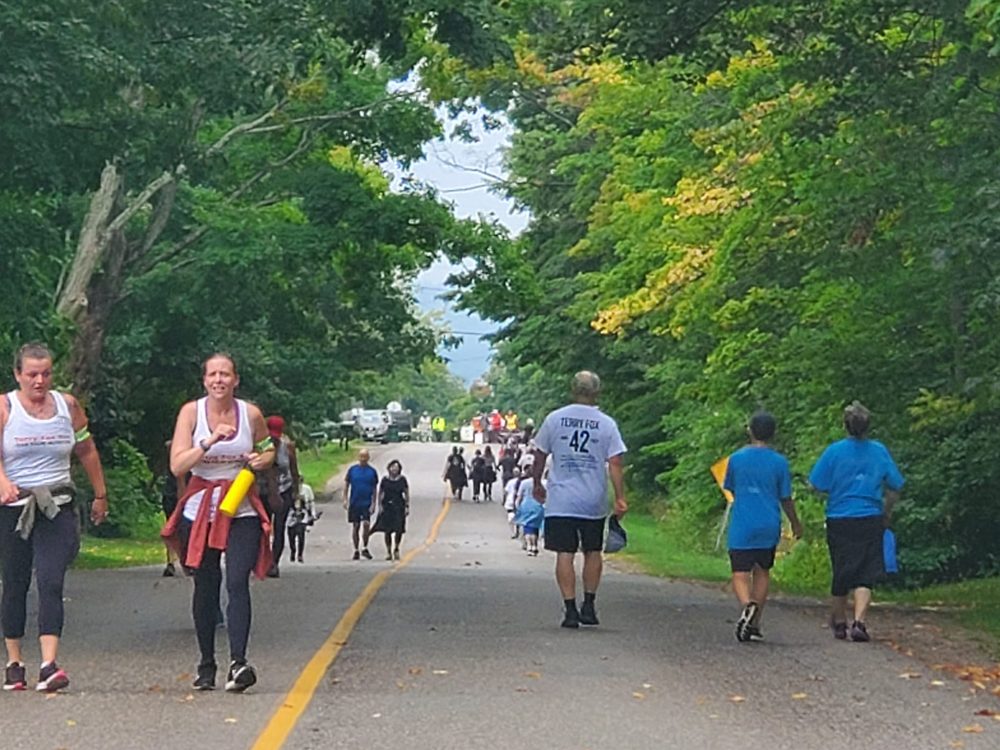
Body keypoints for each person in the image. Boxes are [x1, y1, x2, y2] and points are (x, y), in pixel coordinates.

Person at [162, 352, 275, 693]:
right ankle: (206, 664)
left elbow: (270, 449)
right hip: (200, 510)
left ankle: (238, 663)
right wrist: (209, 442)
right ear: (204, 380)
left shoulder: (250, 414)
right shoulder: (191, 413)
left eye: (225, 374)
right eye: (213, 375)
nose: (219, 380)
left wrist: (259, 459)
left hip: (241, 508)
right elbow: (178, 466)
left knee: (237, 582)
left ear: (236, 380)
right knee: (206, 585)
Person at [0, 342, 109, 692]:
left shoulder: (67, 406)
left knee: (51, 580)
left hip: (57, 504)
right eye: (31, 374)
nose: (39, 381)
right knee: (15, 583)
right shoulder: (5, 407)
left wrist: (100, 494)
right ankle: (15, 661)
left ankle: (49, 664)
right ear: (18, 374)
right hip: (15, 508)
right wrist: (2, 480)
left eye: (45, 373)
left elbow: (87, 448)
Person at [532, 371, 627, 629]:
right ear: (597, 392)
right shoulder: (606, 423)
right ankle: (590, 604)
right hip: (592, 499)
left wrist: (536, 482)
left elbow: (539, 454)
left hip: (561, 499)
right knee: (592, 551)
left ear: (572, 390)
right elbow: (615, 461)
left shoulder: (555, 419)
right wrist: (620, 496)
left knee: (565, 553)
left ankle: (570, 609)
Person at [809, 401, 904, 642]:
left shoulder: (834, 451)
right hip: (870, 517)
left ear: (846, 425)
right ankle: (859, 623)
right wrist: (886, 510)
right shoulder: (879, 451)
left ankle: (840, 622)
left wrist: (834, 489)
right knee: (865, 572)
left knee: (841, 569)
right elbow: (896, 486)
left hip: (840, 517)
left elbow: (816, 484)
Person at [724, 411, 803, 642]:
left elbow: (731, 488)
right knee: (762, 572)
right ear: (773, 433)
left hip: (743, 523)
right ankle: (755, 622)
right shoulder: (780, 462)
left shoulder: (736, 459)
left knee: (740, 574)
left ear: (750, 430)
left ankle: (746, 605)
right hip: (769, 523)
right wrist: (796, 523)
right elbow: (785, 497)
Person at [264, 415, 299, 578]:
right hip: (264, 491)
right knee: (261, 528)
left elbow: (294, 471)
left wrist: (295, 493)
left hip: (284, 489)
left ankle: (274, 563)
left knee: (279, 528)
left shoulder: (288, 447)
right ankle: (261, 560)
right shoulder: (261, 446)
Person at [344, 448, 378, 560]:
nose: (363, 459)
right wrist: (345, 499)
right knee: (356, 525)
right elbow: (346, 484)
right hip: (355, 502)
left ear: (368, 458)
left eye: (365, 456)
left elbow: (374, 489)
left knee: (366, 524)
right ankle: (356, 549)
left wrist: (373, 503)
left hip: (366, 502)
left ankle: (365, 547)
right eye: (361, 456)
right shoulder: (353, 470)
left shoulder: (372, 472)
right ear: (358, 457)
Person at [371, 459, 409, 561]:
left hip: (398, 506)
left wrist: (406, 506)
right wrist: (380, 505)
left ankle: (396, 548)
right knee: (387, 530)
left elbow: (406, 492)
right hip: (387, 506)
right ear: (389, 468)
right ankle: (388, 551)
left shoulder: (402, 480)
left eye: (396, 468)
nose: (394, 469)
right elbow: (380, 492)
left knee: (398, 529)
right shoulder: (385, 480)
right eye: (392, 467)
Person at [161, 441, 182, 577]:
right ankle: (173, 561)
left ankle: (173, 561)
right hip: (175, 493)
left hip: (173, 492)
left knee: (172, 527)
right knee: (174, 527)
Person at [516, 464, 545, 556]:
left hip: (526, 505)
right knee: (535, 526)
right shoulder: (542, 483)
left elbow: (519, 495)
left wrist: (517, 505)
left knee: (527, 527)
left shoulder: (524, 483)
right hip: (538, 505)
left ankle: (529, 545)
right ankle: (535, 545)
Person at [287, 482, 319, 563]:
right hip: (291, 518)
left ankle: (300, 554)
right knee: (291, 537)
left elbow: (311, 503)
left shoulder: (306, 489)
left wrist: (312, 514)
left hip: (302, 517)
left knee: (301, 536)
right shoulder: (288, 490)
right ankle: (293, 551)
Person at [503, 466, 522, 539]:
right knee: (516, 516)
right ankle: (516, 530)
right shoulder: (521, 481)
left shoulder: (510, 482)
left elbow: (506, 492)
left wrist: (504, 500)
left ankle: (514, 532)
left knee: (511, 518)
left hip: (511, 501)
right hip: (516, 501)